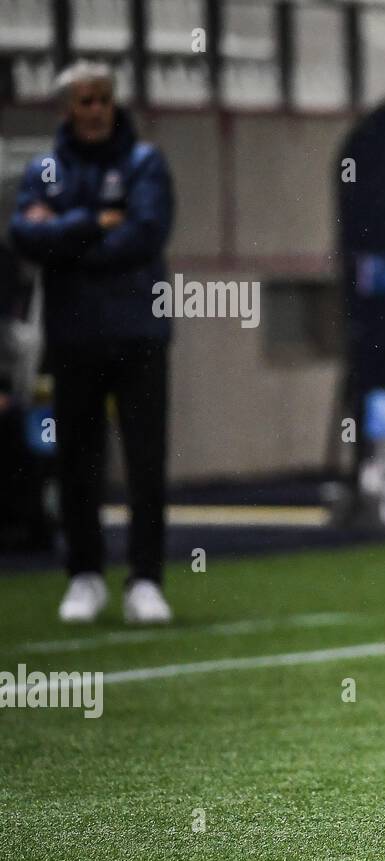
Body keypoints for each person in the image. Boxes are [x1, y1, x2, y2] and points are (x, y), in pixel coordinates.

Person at [8, 61, 175, 624]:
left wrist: (67, 240)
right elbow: (24, 236)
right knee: (77, 459)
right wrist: (93, 222)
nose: (96, 109)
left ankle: (146, 579)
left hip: (139, 333)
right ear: (66, 108)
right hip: (74, 335)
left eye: (103, 98)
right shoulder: (45, 168)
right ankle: (84, 574)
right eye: (84, 100)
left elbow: (145, 234)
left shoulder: (144, 162)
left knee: (145, 461)